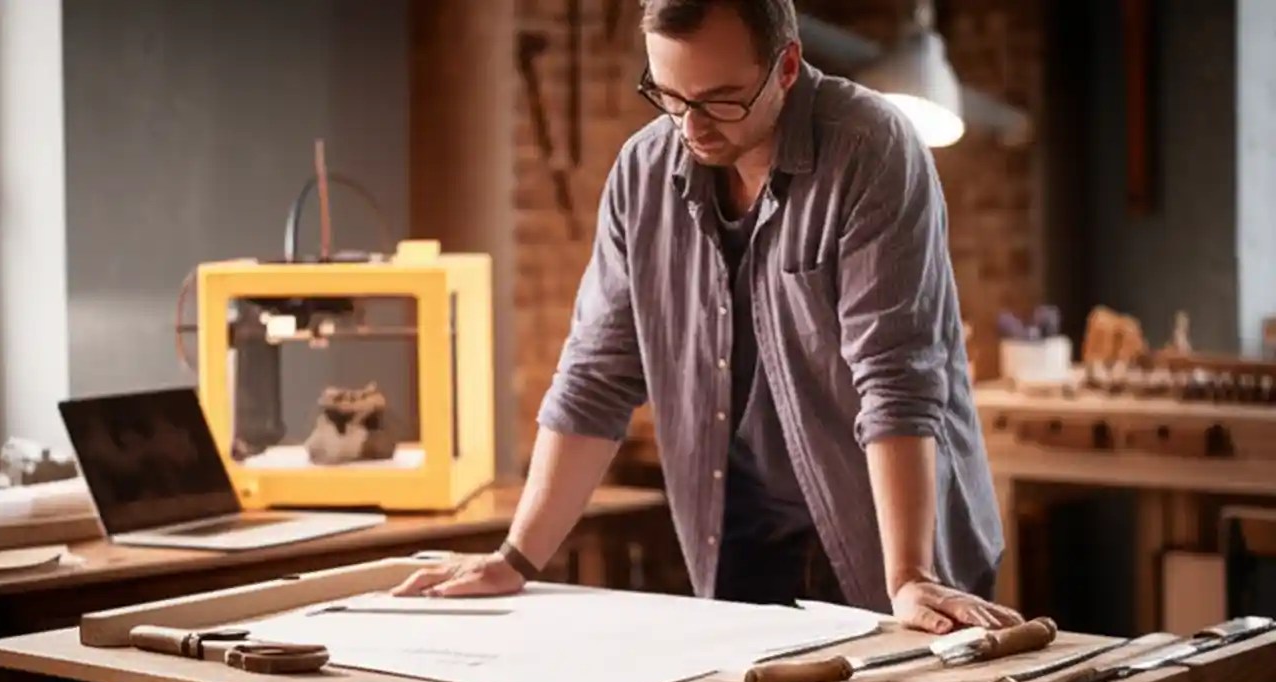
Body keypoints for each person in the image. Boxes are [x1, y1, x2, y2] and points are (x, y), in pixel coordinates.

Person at [392, 0, 1022, 634]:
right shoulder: (642, 173)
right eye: (668, 94)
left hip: (887, 544)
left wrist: (910, 575)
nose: (691, 126)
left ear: (786, 67)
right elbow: (594, 379)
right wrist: (516, 558)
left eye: (721, 99)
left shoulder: (870, 149)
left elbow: (895, 382)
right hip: (742, 546)